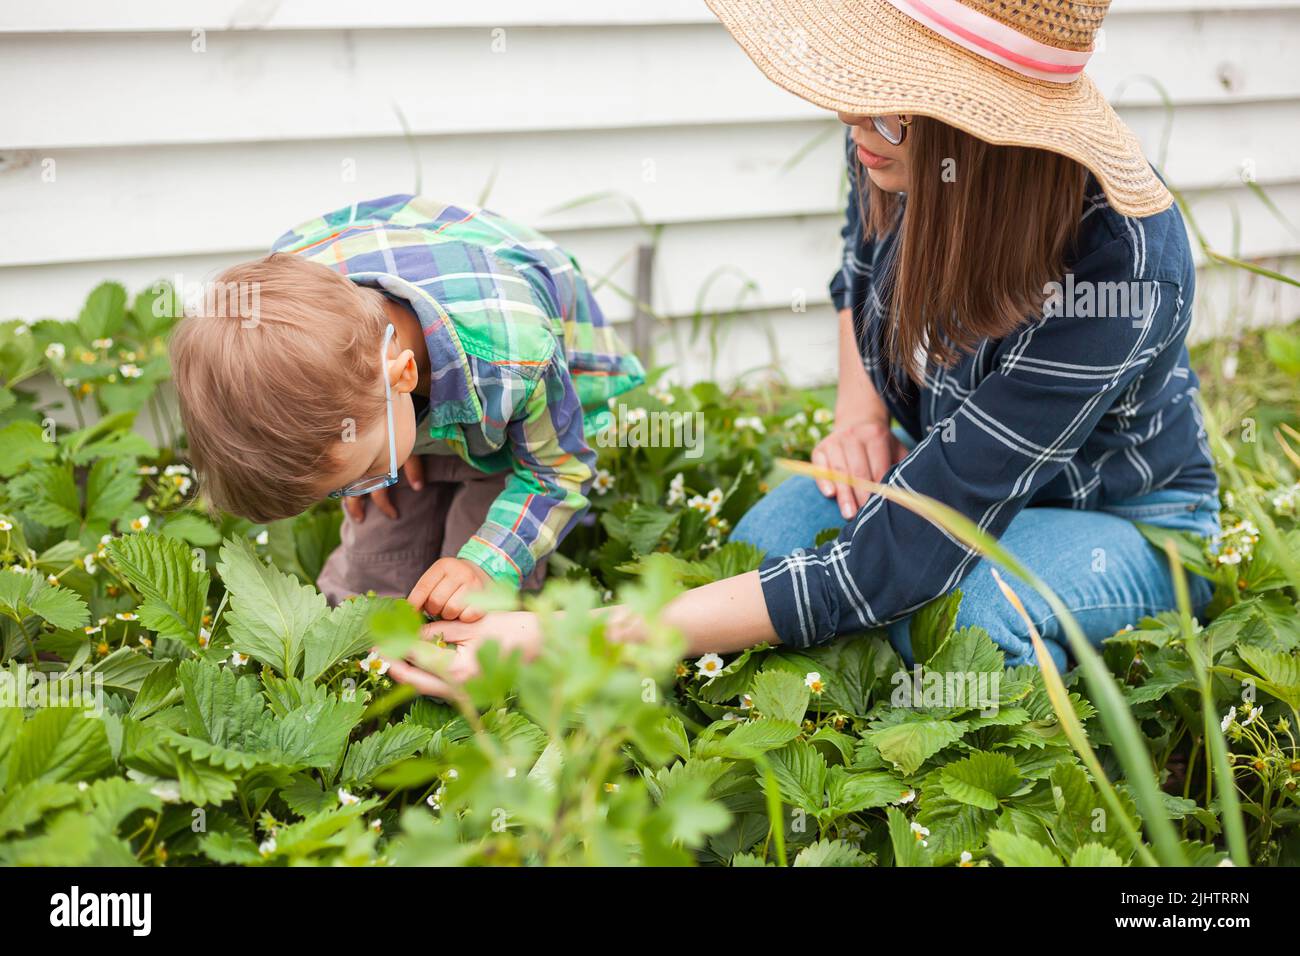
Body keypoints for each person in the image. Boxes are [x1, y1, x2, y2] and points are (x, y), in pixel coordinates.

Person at [386, 0, 1219, 697]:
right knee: (765, 541)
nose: (856, 120)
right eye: (860, 86)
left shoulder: (1125, 267)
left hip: (1119, 517)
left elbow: (897, 560)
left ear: (985, 137)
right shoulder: (894, 139)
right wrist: (859, 409)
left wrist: (572, 641)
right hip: (944, 472)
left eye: (893, 104)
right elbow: (858, 271)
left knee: (956, 625)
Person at [170, 195, 644, 621]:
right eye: (343, 485)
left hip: (511, 387)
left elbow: (557, 472)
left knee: (469, 598)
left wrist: (484, 563)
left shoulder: (516, 359)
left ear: (404, 377)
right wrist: (358, 464)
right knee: (372, 568)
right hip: (403, 380)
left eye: (368, 470)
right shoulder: (292, 317)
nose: (359, 488)